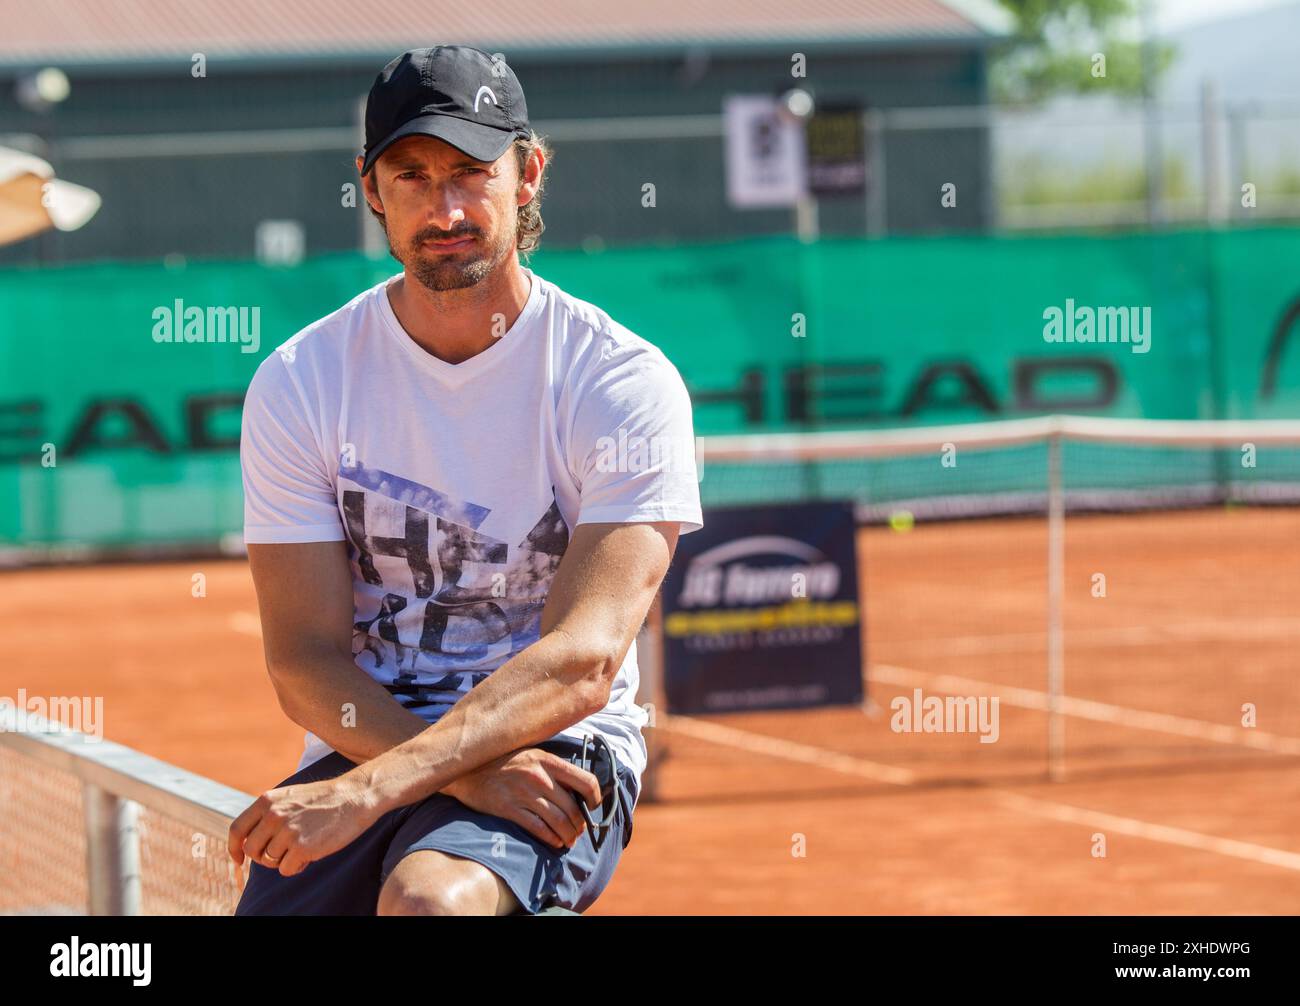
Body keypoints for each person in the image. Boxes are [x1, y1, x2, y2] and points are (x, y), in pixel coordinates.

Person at [228, 44, 702, 915]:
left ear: (528, 176)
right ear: (372, 189)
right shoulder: (301, 381)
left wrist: (376, 790)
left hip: (560, 746)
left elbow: (584, 662)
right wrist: (453, 771)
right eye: (412, 175)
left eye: (472, 172)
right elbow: (302, 659)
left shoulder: (620, 382)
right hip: (370, 734)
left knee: (430, 905)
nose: (445, 207)